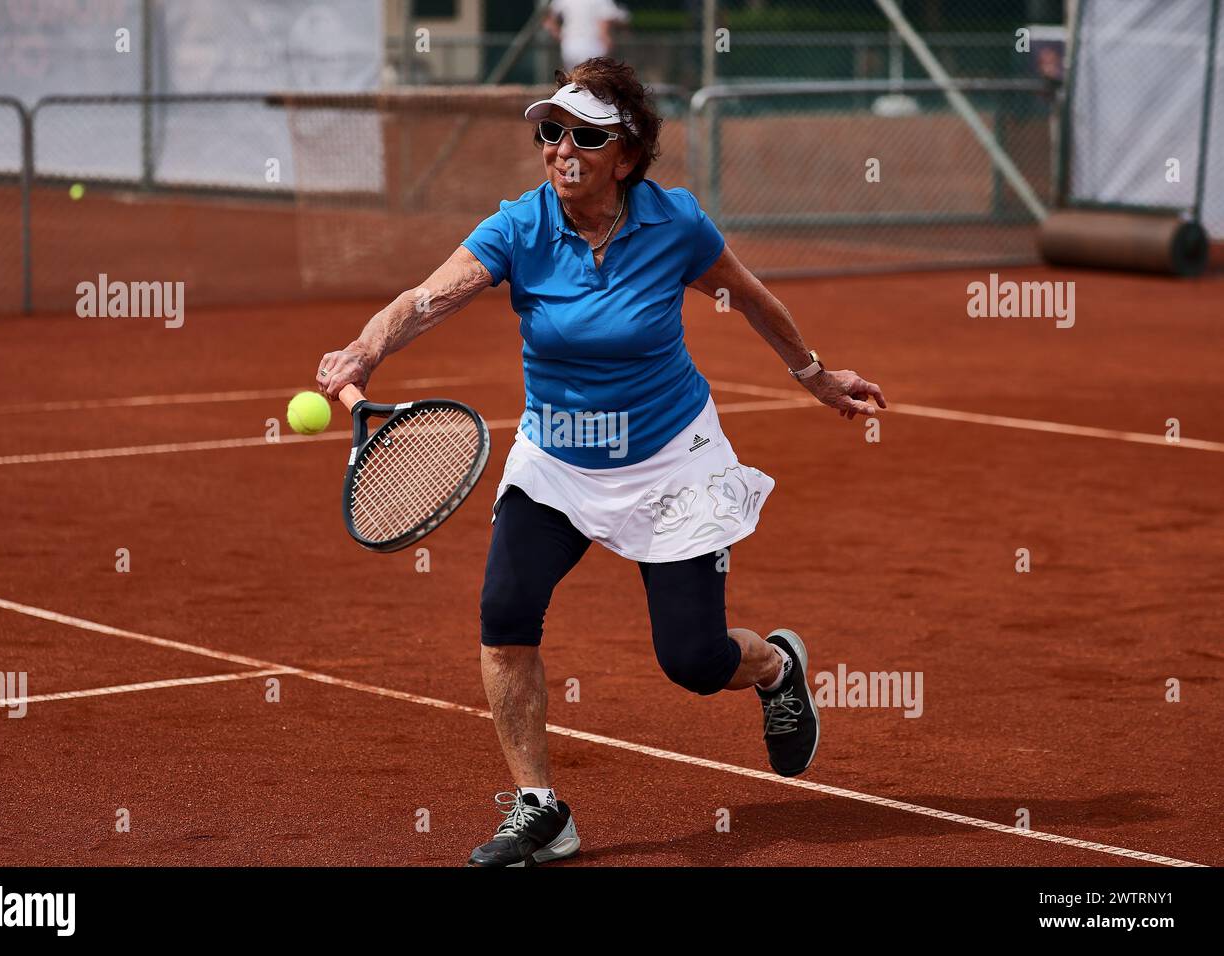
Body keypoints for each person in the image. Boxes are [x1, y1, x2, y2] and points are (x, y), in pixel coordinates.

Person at [315, 58, 886, 868]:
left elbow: (753, 297)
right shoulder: (519, 227)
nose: (562, 149)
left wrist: (816, 377)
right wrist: (363, 349)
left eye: (585, 134)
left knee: (691, 661)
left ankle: (773, 666)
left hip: (670, 462)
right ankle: (541, 807)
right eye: (551, 131)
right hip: (558, 462)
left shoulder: (675, 224)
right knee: (505, 617)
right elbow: (428, 297)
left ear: (626, 153)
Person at [544, 0, 630, 71]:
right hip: (593, 45)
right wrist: (607, 41)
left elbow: (548, 18)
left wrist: (558, 34)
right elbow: (605, 22)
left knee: (572, 80)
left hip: (570, 44)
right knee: (594, 81)